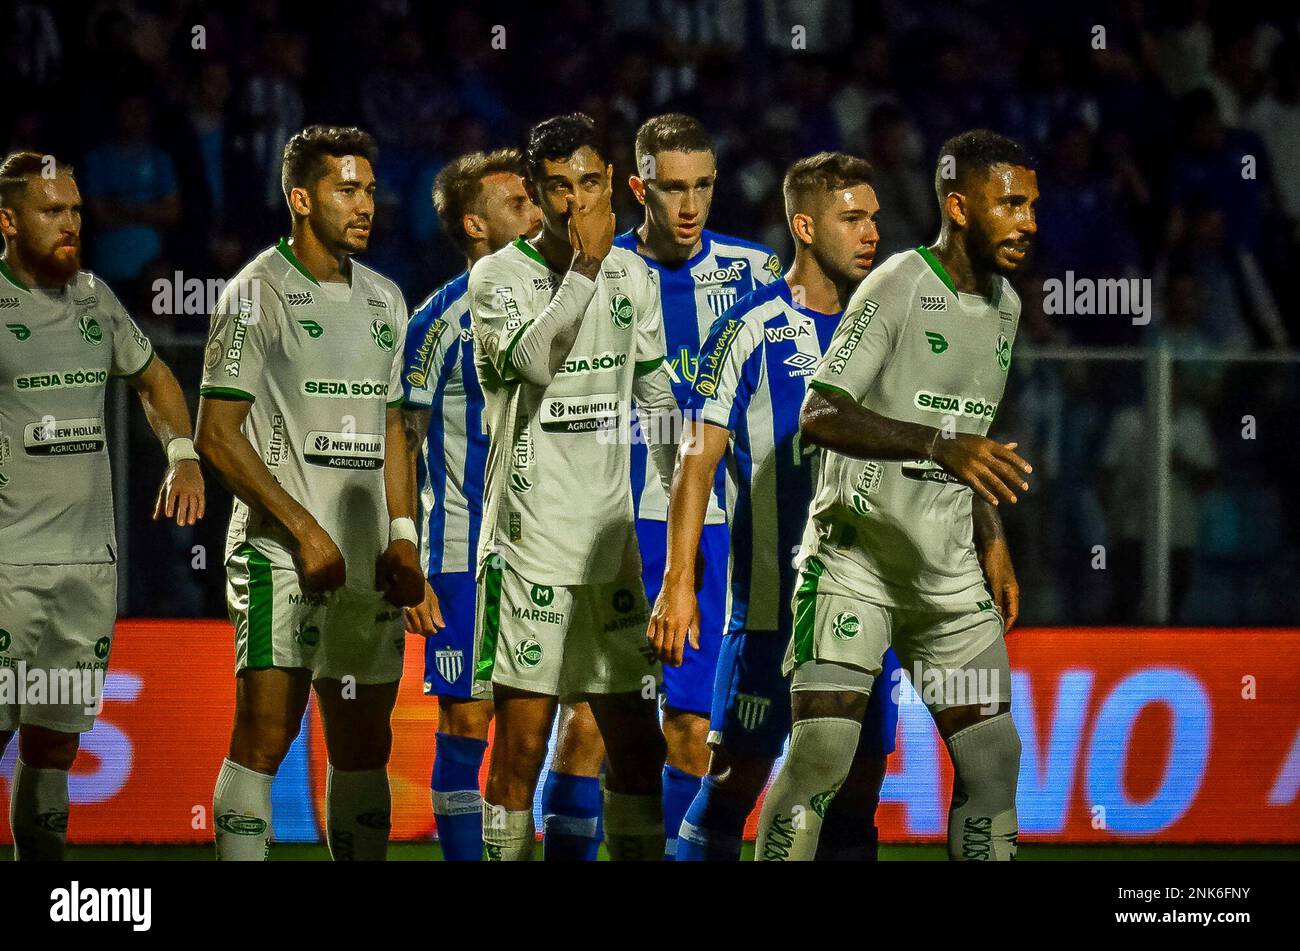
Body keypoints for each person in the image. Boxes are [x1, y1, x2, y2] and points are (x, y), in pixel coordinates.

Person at [755, 130, 1039, 861]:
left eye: (1032, 204)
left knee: (994, 762)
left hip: (946, 580)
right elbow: (820, 414)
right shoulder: (898, 285)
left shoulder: (1005, 305)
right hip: (855, 564)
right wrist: (935, 444)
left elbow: (970, 430)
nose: (1028, 220)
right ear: (959, 206)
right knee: (821, 757)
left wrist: (992, 539)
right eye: (1009, 202)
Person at [650, 152, 899, 861]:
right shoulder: (747, 329)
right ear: (805, 226)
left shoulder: (887, 330)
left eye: (874, 217)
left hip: (865, 609)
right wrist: (678, 583)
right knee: (735, 778)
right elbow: (694, 464)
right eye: (852, 217)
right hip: (768, 612)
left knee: (858, 784)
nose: (870, 232)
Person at [197, 126, 424, 860]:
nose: (366, 204)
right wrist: (303, 530)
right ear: (301, 197)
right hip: (279, 555)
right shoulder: (255, 293)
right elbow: (216, 433)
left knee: (364, 745)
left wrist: (402, 535)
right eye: (346, 189)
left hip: (366, 563)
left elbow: (395, 430)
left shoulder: (386, 299)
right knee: (265, 736)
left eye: (370, 189)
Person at [467, 113, 678, 860]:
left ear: (613, 186)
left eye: (590, 184)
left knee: (636, 747)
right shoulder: (496, 277)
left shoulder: (636, 276)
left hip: (610, 551)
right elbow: (532, 362)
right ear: (535, 193)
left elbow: (655, 405)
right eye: (559, 188)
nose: (576, 203)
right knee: (519, 751)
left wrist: (683, 529)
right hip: (531, 547)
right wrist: (585, 270)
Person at [0, 150, 204, 859]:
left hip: (86, 568)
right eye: (51, 211)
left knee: (54, 740)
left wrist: (182, 454)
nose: (70, 225)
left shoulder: (95, 298)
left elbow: (155, 379)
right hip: (7, 567)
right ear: (7, 220)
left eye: (77, 212)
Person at [613, 113, 782, 858]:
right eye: (671, 188)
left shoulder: (756, 271)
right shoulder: (601, 275)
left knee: (693, 723)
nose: (689, 205)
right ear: (637, 186)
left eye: (703, 186)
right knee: (596, 725)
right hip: (619, 521)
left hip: (722, 527)